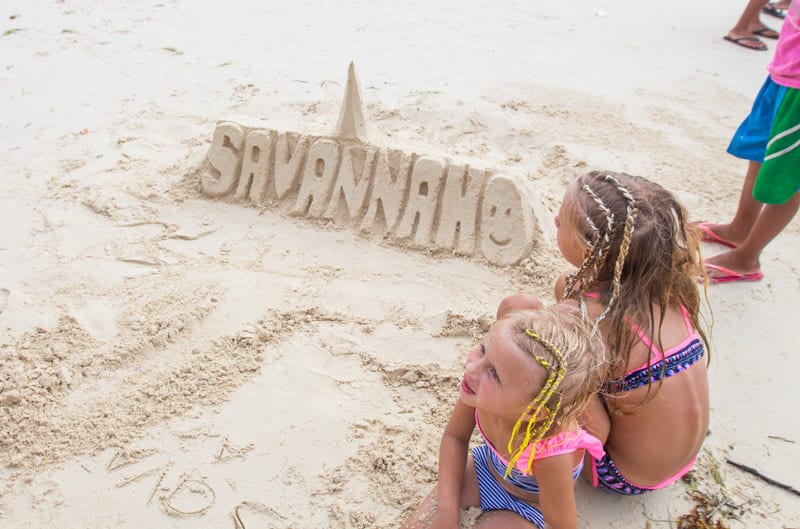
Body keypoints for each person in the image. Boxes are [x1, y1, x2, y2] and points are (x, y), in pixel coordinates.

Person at [499, 171, 710, 495]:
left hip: (622, 474)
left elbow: (596, 434)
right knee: (566, 289)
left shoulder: (586, 318)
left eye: (562, 222)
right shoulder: (669, 287)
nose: (555, 219)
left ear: (588, 253)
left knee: (521, 314)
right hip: (679, 460)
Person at [399, 306, 606, 529]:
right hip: (485, 470)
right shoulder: (477, 391)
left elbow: (560, 524)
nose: (472, 369)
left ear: (532, 411)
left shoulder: (550, 454)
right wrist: (447, 513)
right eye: (482, 350)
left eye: (494, 373)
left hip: (526, 505)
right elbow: (455, 437)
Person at [699, 1, 800, 283]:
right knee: (759, 150)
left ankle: (747, 257)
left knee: (788, 177)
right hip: (785, 72)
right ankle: (739, 228)